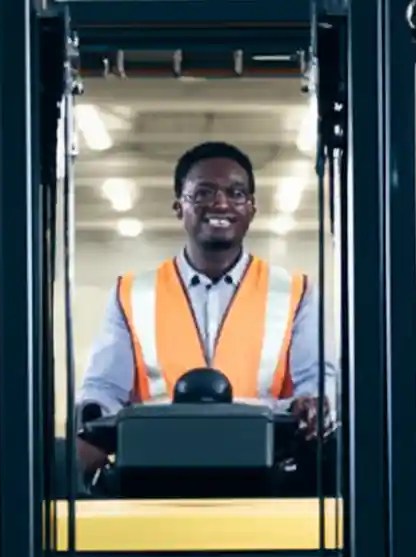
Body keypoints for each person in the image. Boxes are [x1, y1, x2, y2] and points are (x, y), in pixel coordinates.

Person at [75, 141, 336, 471]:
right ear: (179, 207)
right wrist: (91, 414)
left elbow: (318, 381)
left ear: (252, 208)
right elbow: (104, 389)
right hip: (155, 472)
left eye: (236, 193)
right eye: (203, 193)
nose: (221, 203)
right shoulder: (131, 293)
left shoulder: (296, 292)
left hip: (265, 471)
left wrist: (313, 404)